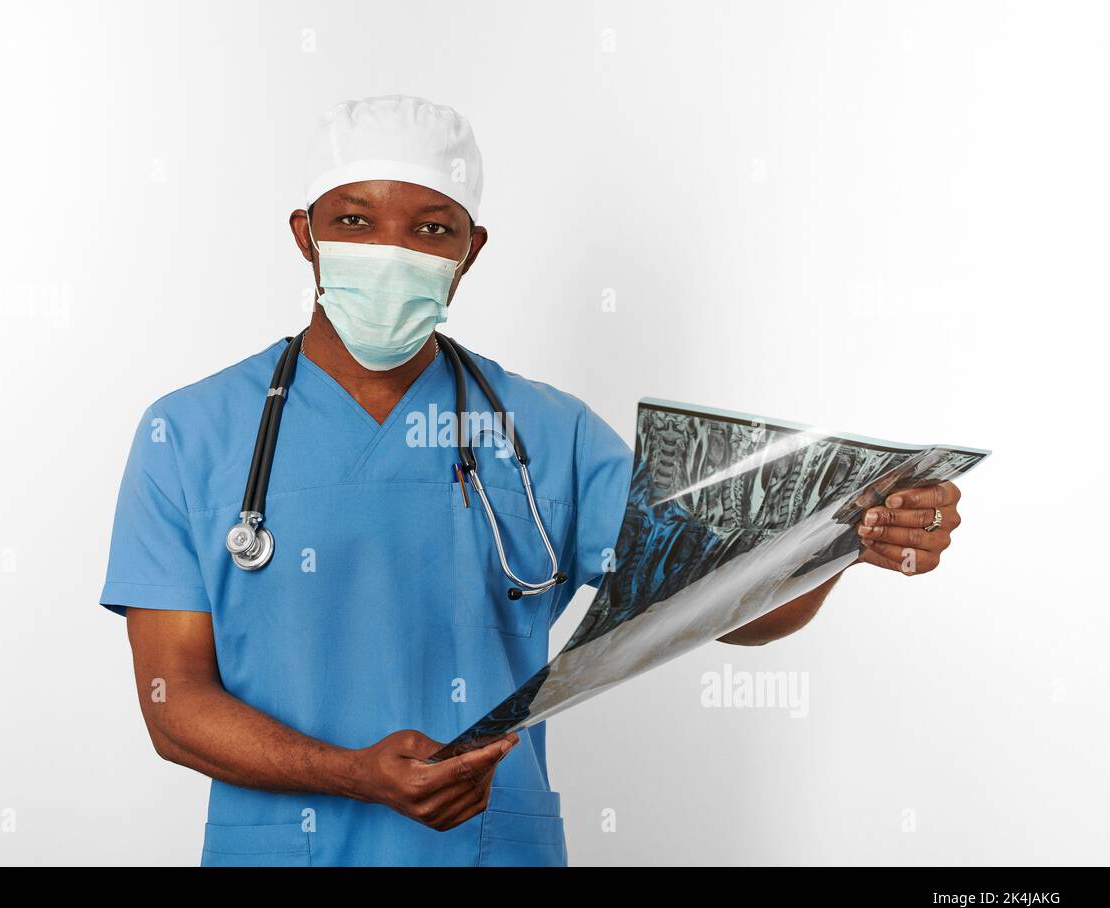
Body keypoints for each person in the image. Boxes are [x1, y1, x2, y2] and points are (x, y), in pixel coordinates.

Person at [100, 95, 964, 866]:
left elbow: (733, 609)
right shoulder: (192, 433)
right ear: (306, 235)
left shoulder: (546, 434)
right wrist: (351, 775)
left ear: (469, 252)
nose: (392, 251)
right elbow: (175, 704)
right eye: (356, 222)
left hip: (488, 847)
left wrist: (850, 536)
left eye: (432, 229)